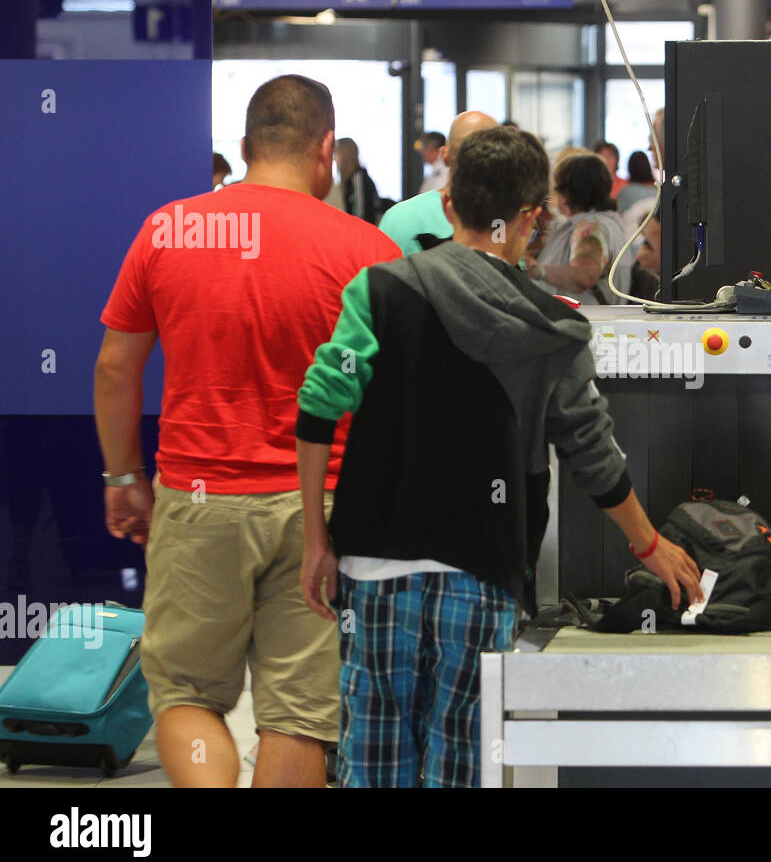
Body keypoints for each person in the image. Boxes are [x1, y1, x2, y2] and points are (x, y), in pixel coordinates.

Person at [295, 125, 703, 787]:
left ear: (449, 201)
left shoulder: (379, 291)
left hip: (371, 571)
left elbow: (317, 408)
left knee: (370, 763)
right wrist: (648, 543)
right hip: (483, 574)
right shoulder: (551, 325)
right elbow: (592, 455)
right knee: (459, 764)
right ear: (531, 219)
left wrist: (317, 537)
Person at [94, 74, 400, 787]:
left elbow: (115, 369)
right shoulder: (368, 250)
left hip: (197, 501)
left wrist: (123, 479)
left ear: (243, 145)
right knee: (298, 714)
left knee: (188, 697)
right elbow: (393, 399)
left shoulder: (168, 229)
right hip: (319, 513)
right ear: (326, 148)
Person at [378, 111, 497, 254]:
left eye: (424, 148)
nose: (422, 153)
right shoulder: (508, 220)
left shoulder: (396, 218)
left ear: (444, 154)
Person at [526, 151, 630, 305]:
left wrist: (535, 269)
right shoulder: (609, 222)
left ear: (568, 192)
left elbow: (585, 276)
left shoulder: (591, 227)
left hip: (584, 322)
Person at [335, 137, 382, 225]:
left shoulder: (358, 179)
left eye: (336, 153)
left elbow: (361, 216)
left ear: (345, 156)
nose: (334, 158)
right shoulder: (353, 179)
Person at [617, 150, 657, 215]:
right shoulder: (659, 189)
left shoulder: (626, 191)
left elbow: (619, 215)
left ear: (630, 169)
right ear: (648, 167)